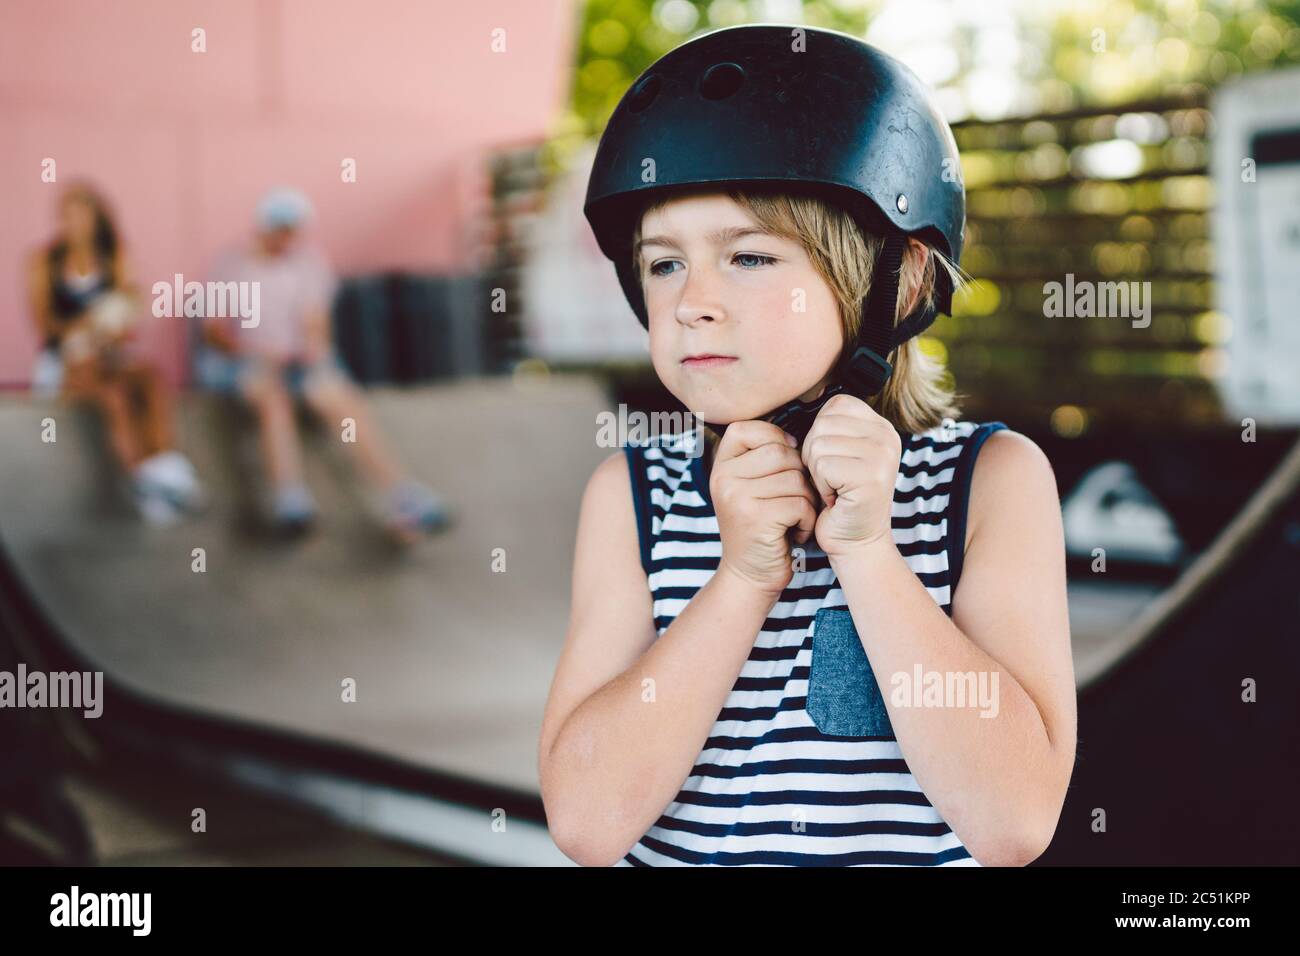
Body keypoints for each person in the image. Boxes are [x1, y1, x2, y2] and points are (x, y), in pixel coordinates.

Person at [540, 25, 1076, 866]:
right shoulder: (634, 498)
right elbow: (585, 822)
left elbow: (1013, 822)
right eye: (664, 264)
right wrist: (741, 581)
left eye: (750, 257)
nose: (692, 302)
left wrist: (868, 555)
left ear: (897, 279)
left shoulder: (987, 483)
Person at [197, 187, 451, 541]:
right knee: (271, 397)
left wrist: (310, 353)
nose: (288, 238)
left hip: (295, 361)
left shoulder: (309, 263)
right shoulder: (231, 265)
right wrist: (258, 352)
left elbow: (316, 325)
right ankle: (289, 498)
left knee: (334, 396)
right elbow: (214, 332)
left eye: (294, 230)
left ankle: (401, 495)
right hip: (245, 362)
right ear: (264, 226)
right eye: (282, 229)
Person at [26, 181, 205, 524]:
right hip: (67, 360)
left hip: (108, 355)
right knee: (114, 396)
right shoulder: (44, 262)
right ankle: (140, 475)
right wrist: (90, 323)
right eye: (68, 216)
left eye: (82, 215)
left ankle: (165, 465)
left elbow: (128, 314)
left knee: (149, 378)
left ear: (97, 219)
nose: (75, 224)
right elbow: (47, 323)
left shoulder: (115, 257)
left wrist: (114, 326)